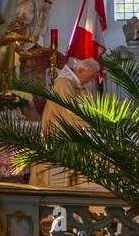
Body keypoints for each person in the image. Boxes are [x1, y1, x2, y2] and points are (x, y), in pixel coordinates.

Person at [29, 58, 102, 188]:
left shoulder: (79, 87)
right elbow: (67, 110)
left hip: (73, 132)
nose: (94, 78)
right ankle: (63, 191)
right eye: (92, 75)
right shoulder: (64, 83)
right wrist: (89, 128)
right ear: (80, 70)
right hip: (60, 133)